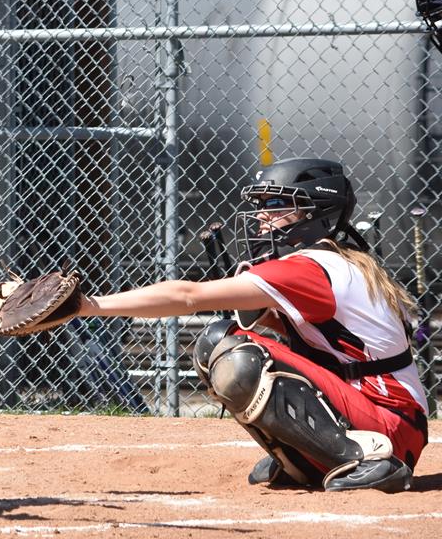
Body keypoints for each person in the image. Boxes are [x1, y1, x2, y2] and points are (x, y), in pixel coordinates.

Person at [52, 157, 425, 491]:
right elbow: (329, 344)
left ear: (314, 213)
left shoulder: (310, 268)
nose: (262, 216)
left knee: (231, 350)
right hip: (384, 415)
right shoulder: (337, 260)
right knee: (226, 345)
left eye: (276, 205)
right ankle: (305, 457)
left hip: (390, 425)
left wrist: (87, 306)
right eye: (261, 205)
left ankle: (361, 457)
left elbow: (187, 295)